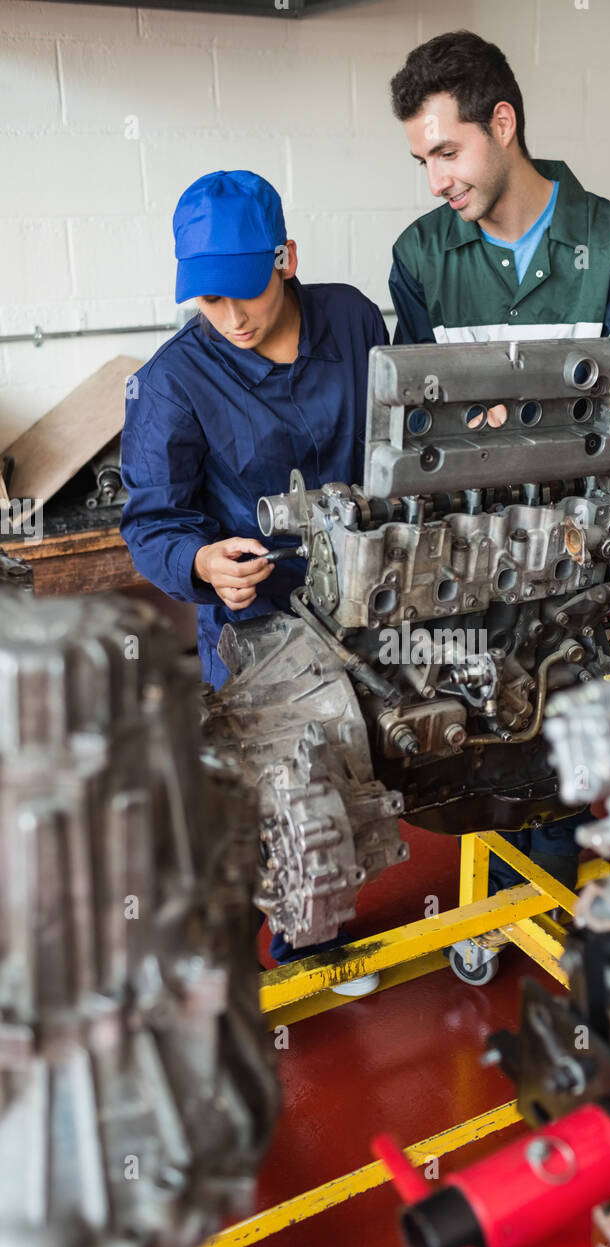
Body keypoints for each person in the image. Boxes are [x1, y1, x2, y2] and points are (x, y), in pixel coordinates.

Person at [388, 31, 610, 891]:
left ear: (503, 123)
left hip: (588, 542)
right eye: (422, 159)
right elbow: (414, 403)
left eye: (448, 152)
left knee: (572, 712)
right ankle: (487, 893)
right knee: (480, 717)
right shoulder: (421, 256)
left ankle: (554, 896)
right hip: (471, 547)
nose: (436, 180)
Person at [121, 169, 385, 989]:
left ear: (286, 259)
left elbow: (401, 439)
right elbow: (151, 522)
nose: (230, 319)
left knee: (373, 759)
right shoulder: (171, 381)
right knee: (282, 788)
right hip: (256, 620)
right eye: (208, 302)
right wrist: (202, 563)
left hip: (370, 597)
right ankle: (300, 944)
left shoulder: (353, 319)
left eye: (245, 293)